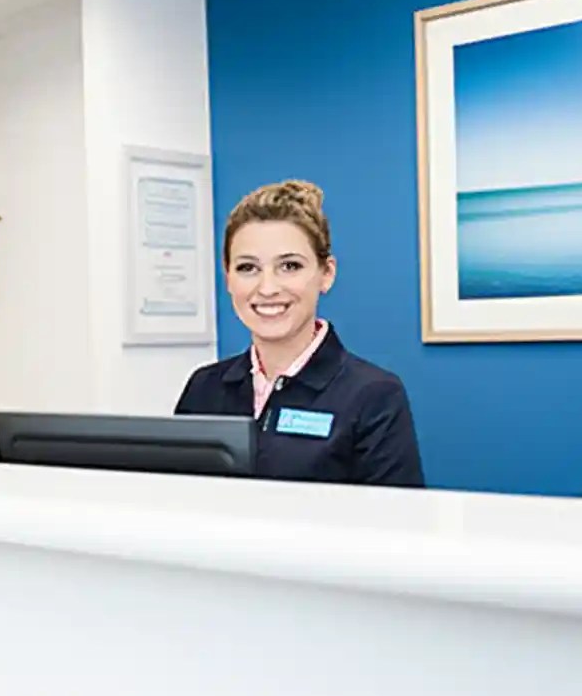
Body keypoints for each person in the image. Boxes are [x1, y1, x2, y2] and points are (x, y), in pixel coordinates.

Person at [175, 180, 424, 487]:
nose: (267, 288)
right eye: (248, 268)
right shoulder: (204, 388)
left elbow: (396, 515)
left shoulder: (373, 396)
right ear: (228, 278)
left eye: (290, 266)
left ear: (326, 274)